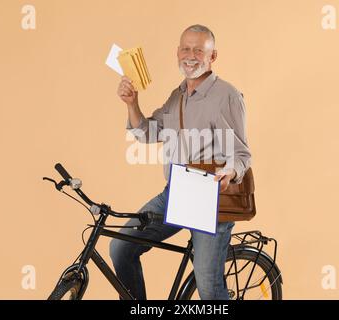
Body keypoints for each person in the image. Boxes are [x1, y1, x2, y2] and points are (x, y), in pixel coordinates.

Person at [110, 24, 251, 300]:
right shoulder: (178, 96)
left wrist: (230, 171)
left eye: (199, 50)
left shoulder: (228, 96)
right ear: (177, 53)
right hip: (175, 192)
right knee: (121, 248)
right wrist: (132, 104)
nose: (191, 55)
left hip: (211, 198)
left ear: (213, 56)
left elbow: (241, 154)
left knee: (209, 290)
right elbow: (148, 132)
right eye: (186, 49)